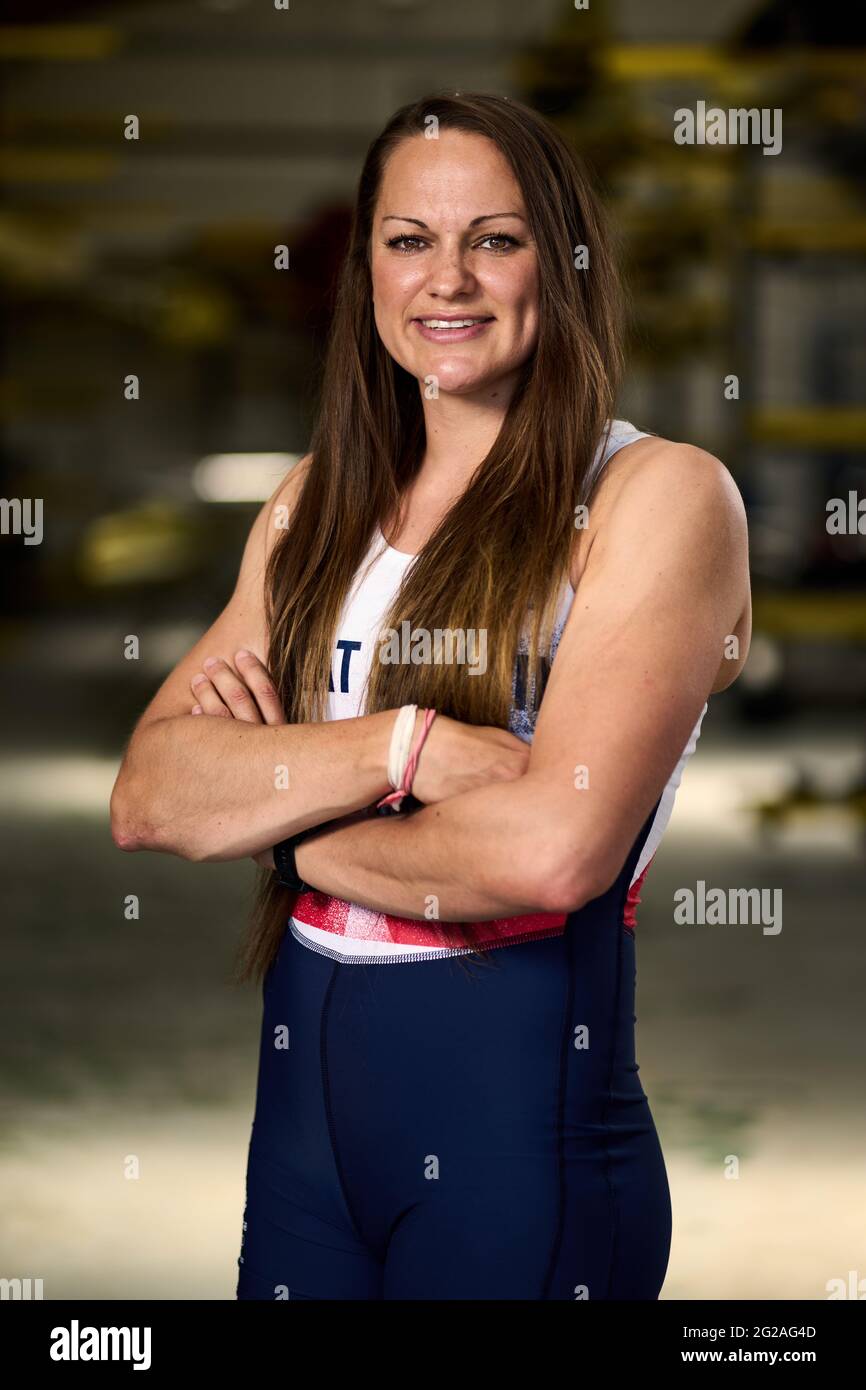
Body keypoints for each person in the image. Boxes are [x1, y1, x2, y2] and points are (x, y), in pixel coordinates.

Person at [110, 92, 751, 1300]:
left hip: (517, 1146)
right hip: (303, 1147)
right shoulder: (313, 506)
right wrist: (403, 748)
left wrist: (279, 816)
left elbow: (552, 854)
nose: (445, 280)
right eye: (408, 240)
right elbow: (151, 794)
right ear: (366, 272)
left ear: (560, 264)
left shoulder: (653, 499)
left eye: (493, 239)